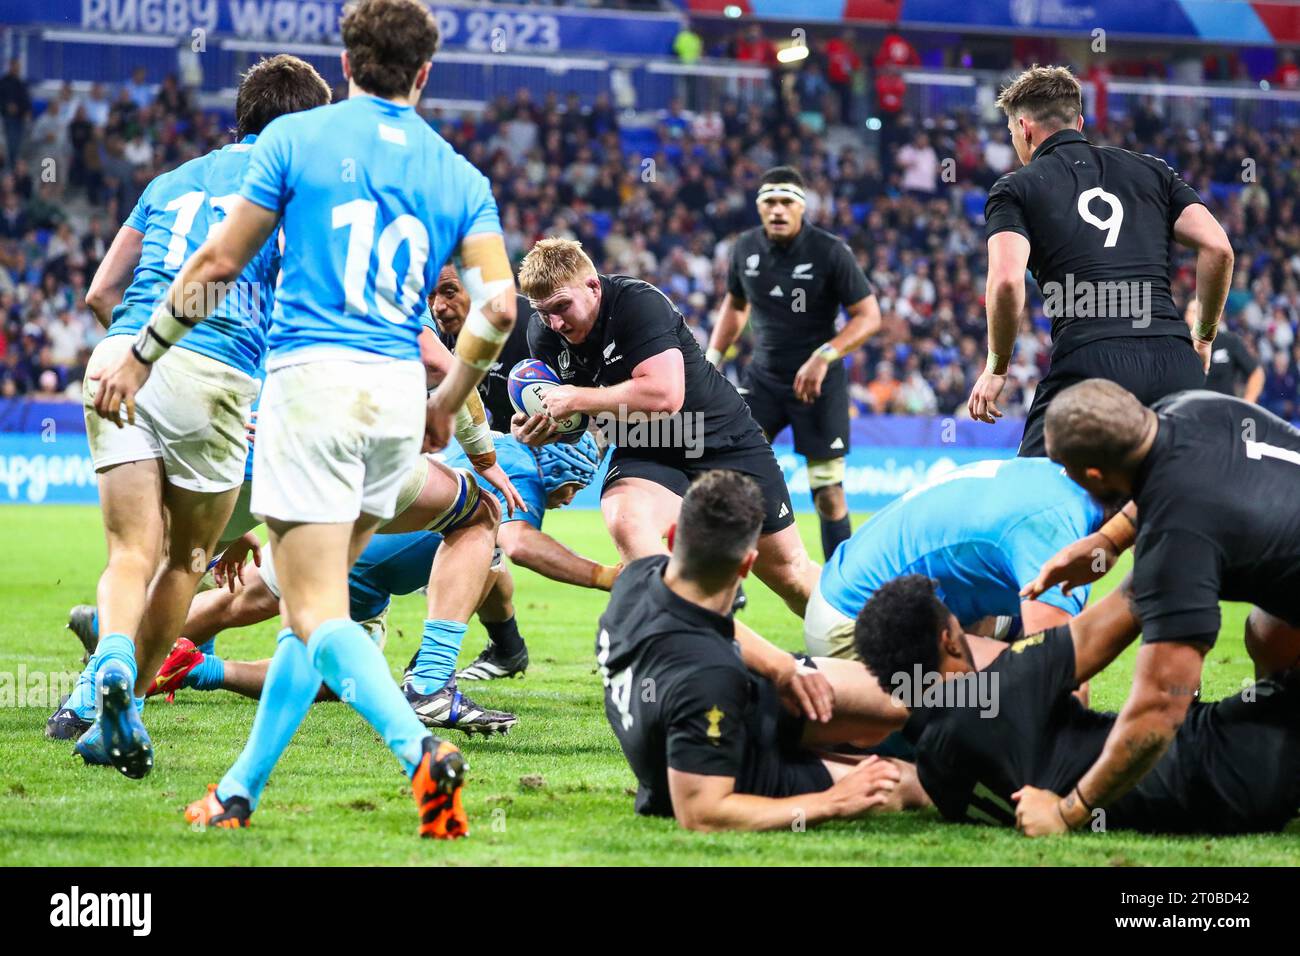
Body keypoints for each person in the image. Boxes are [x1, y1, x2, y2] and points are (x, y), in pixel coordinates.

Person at [90, 0, 519, 838]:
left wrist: (142, 352)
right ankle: (238, 790)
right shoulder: (459, 175)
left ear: (347, 62)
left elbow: (219, 260)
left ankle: (419, 753)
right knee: (307, 613)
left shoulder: (296, 140)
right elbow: (497, 306)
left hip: (313, 386)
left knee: (318, 613)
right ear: (425, 74)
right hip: (396, 397)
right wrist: (447, 397)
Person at [64, 55, 332, 780]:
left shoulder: (168, 182)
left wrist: (137, 351)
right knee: (186, 559)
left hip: (120, 358)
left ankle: (107, 667)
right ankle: (131, 704)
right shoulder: (296, 197)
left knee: (129, 552)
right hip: (211, 373)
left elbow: (99, 292)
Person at [147, 435, 614, 726]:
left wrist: (507, 642)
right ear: (563, 465)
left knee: (236, 609)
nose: (571, 498)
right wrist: (606, 575)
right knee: (327, 669)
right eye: (576, 484)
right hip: (357, 553)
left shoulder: (491, 446)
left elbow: (494, 576)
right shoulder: (523, 478)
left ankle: (141, 654)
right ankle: (131, 652)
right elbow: (520, 546)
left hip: (345, 533)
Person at [1012, 379, 1300, 835]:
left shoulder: (1180, 536)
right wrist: (1105, 542)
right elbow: (1169, 481)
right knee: (1269, 630)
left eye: (1067, 469)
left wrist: (1068, 811)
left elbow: (1160, 707)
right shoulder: (1189, 405)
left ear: (1093, 476)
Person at [598, 470, 921, 831]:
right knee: (907, 781)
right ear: (749, 563)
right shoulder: (708, 678)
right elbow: (703, 813)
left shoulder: (639, 578)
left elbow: (704, 618)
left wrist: (783, 668)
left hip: (738, 703)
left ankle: (973, 712)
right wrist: (834, 802)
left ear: (672, 539)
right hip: (732, 770)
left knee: (900, 696)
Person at [515, 238, 820, 618]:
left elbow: (664, 396)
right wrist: (545, 427)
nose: (556, 323)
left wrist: (575, 398)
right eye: (544, 313)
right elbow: (577, 419)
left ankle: (871, 640)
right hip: (646, 444)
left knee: (792, 577)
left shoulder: (637, 303)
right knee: (626, 517)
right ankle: (689, 621)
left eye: (562, 307)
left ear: (593, 286)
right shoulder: (544, 334)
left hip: (719, 437)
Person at [855, 575, 1300, 835]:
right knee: (1267, 622)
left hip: (1217, 788)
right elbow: (1135, 597)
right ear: (948, 638)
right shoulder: (1003, 690)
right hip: (1233, 758)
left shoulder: (935, 768)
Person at [967, 65, 1235, 457]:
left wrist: (997, 366)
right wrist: (1204, 336)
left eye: (1012, 135)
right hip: (1176, 364)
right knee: (1169, 507)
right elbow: (1219, 248)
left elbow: (1006, 283)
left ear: (1024, 128)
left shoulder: (1015, 188)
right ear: (1077, 122)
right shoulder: (1154, 171)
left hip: (1090, 365)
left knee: (1035, 495)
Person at [705, 166, 882, 560]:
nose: (778, 210)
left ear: (803, 207)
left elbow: (869, 316)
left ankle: (840, 592)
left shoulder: (830, 251)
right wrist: (711, 359)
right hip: (763, 380)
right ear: (759, 208)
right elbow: (735, 305)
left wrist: (824, 356)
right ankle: (726, 580)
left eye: (787, 202)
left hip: (818, 384)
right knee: (733, 481)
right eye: (769, 202)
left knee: (828, 493)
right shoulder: (745, 248)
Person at [804, 457, 1110, 661]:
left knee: (1017, 620)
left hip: (844, 593)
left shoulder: (1047, 474)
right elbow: (1059, 672)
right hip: (853, 628)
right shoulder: (1053, 527)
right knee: (1014, 686)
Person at [427, 262, 532, 429]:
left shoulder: (528, 322)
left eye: (449, 293)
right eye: (430, 295)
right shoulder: (437, 334)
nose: (438, 307)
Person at [1187, 300, 1263, 402]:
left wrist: (1248, 403)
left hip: (1223, 411)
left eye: (1200, 311)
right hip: (1189, 411)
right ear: (1186, 316)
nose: (1197, 316)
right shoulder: (1179, 345)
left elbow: (1256, 373)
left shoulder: (1229, 341)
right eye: (1193, 311)